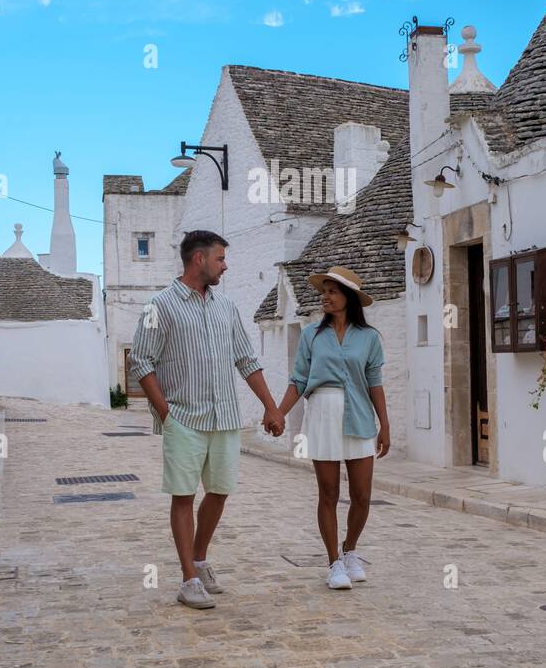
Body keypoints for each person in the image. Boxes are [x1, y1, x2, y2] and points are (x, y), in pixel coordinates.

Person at [130, 230, 285, 610]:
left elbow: (246, 360)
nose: (225, 265)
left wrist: (271, 406)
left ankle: (199, 561)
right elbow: (141, 361)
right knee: (183, 495)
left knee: (220, 490)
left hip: (224, 417)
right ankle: (187, 579)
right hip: (183, 417)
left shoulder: (226, 308)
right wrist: (165, 412)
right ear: (198, 259)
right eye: (220, 258)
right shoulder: (159, 306)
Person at [276, 266, 390, 590]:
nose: (325, 296)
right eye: (323, 291)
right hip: (323, 413)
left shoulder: (369, 339)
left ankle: (350, 550)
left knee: (362, 495)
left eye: (332, 291)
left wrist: (385, 425)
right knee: (329, 492)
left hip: (360, 416)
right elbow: (298, 380)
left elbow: (375, 384)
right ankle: (333, 563)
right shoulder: (311, 335)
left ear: (348, 298)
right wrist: (279, 413)